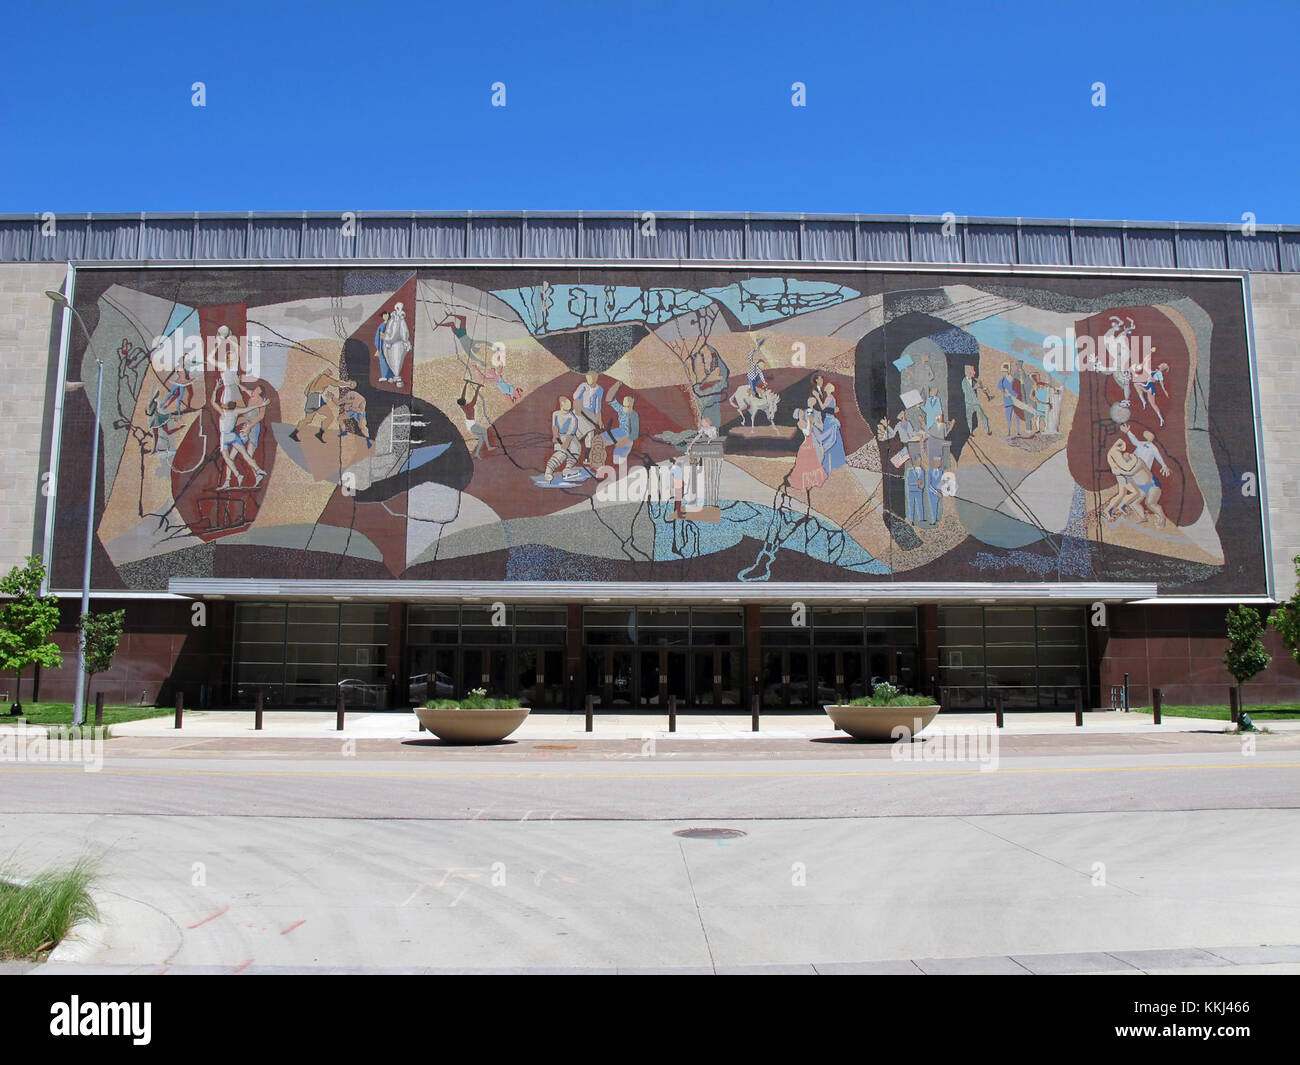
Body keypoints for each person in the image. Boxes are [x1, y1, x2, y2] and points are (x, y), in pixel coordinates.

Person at [211, 383, 270, 489]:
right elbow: (245, 390)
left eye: (256, 389)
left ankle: (257, 475)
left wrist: (249, 427)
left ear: (259, 392)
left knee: (248, 453)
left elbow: (260, 416)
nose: (253, 390)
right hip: (244, 427)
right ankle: (228, 481)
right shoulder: (251, 397)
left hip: (253, 429)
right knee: (233, 456)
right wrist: (238, 383)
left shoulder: (260, 401)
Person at [290, 367, 353, 443]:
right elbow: (337, 383)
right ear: (327, 373)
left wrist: (312, 397)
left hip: (312, 398)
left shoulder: (316, 378)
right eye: (330, 373)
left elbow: (306, 392)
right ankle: (318, 433)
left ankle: (297, 433)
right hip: (316, 398)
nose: (330, 374)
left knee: (311, 419)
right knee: (327, 417)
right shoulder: (325, 378)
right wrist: (348, 384)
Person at [542, 397, 582, 481]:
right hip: (560, 436)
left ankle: (568, 468)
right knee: (562, 453)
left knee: (575, 451)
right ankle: (549, 470)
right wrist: (555, 435)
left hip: (570, 438)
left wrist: (566, 443)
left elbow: (571, 432)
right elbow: (554, 426)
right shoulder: (555, 414)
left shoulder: (572, 418)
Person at [792, 408, 829, 491]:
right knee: (806, 466)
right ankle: (806, 484)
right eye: (800, 413)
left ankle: (814, 482)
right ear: (798, 415)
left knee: (814, 463)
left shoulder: (805, 420)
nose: (802, 413)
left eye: (802, 412)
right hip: (806, 445)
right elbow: (807, 433)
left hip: (811, 443)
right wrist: (810, 421)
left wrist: (810, 420)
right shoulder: (800, 422)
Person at [457, 381, 494, 458]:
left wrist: (466, 384)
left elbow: (463, 395)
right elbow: (475, 397)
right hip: (471, 424)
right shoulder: (470, 406)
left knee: (481, 438)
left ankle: (477, 453)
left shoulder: (462, 406)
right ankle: (488, 447)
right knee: (484, 431)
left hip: (470, 423)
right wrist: (477, 388)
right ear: (465, 401)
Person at [382, 302, 411, 387]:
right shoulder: (393, 319)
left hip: (398, 343)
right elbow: (389, 330)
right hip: (391, 342)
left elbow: (403, 331)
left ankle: (397, 376)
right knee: (390, 359)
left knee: (397, 359)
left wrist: (405, 341)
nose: (399, 309)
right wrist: (388, 340)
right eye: (398, 307)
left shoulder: (401, 319)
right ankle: (394, 375)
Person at [606, 394, 639, 464]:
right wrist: (618, 383)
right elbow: (609, 398)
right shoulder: (621, 409)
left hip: (627, 440)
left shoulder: (634, 415)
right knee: (598, 441)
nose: (626, 407)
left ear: (633, 403)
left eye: (628, 406)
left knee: (617, 461)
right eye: (624, 405)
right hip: (619, 433)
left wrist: (623, 442)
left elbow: (634, 434)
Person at [962, 364, 993, 436]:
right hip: (969, 403)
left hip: (975, 402)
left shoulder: (974, 380)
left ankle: (987, 430)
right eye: (973, 370)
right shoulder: (964, 381)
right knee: (969, 418)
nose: (974, 372)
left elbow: (980, 388)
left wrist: (985, 390)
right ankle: (970, 432)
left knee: (984, 416)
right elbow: (966, 391)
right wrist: (975, 387)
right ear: (968, 372)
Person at [997, 362, 1019, 435]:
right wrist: (1004, 392)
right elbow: (1000, 387)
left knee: (1017, 417)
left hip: (1016, 400)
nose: (1004, 373)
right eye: (1003, 371)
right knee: (1008, 417)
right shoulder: (1002, 380)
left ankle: (1018, 431)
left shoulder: (1015, 379)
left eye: (1005, 371)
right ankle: (1009, 431)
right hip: (1007, 401)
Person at [374, 311, 395, 382]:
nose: (384, 316)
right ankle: (384, 376)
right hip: (381, 346)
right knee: (383, 361)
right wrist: (378, 348)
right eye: (383, 315)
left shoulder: (391, 325)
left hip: (388, 346)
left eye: (385, 315)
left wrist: (385, 337)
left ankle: (391, 376)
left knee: (390, 360)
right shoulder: (381, 325)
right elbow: (378, 337)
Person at [925, 458, 945, 525]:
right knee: (933, 506)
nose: (940, 463)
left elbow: (942, 482)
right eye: (939, 462)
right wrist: (936, 492)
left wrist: (943, 490)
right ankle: (933, 521)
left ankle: (937, 518)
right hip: (932, 493)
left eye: (940, 462)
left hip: (940, 492)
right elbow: (928, 485)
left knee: (939, 506)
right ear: (935, 462)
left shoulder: (941, 472)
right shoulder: (930, 472)